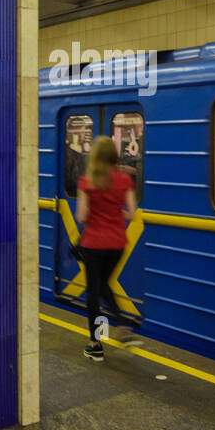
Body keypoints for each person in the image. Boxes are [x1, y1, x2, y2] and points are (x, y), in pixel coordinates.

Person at [75, 136, 141, 361]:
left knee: (94, 291)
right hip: (117, 243)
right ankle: (122, 323)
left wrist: (96, 212)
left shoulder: (87, 181)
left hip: (93, 243)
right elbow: (131, 213)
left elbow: (82, 216)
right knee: (104, 283)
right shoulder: (124, 180)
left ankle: (95, 345)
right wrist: (115, 213)